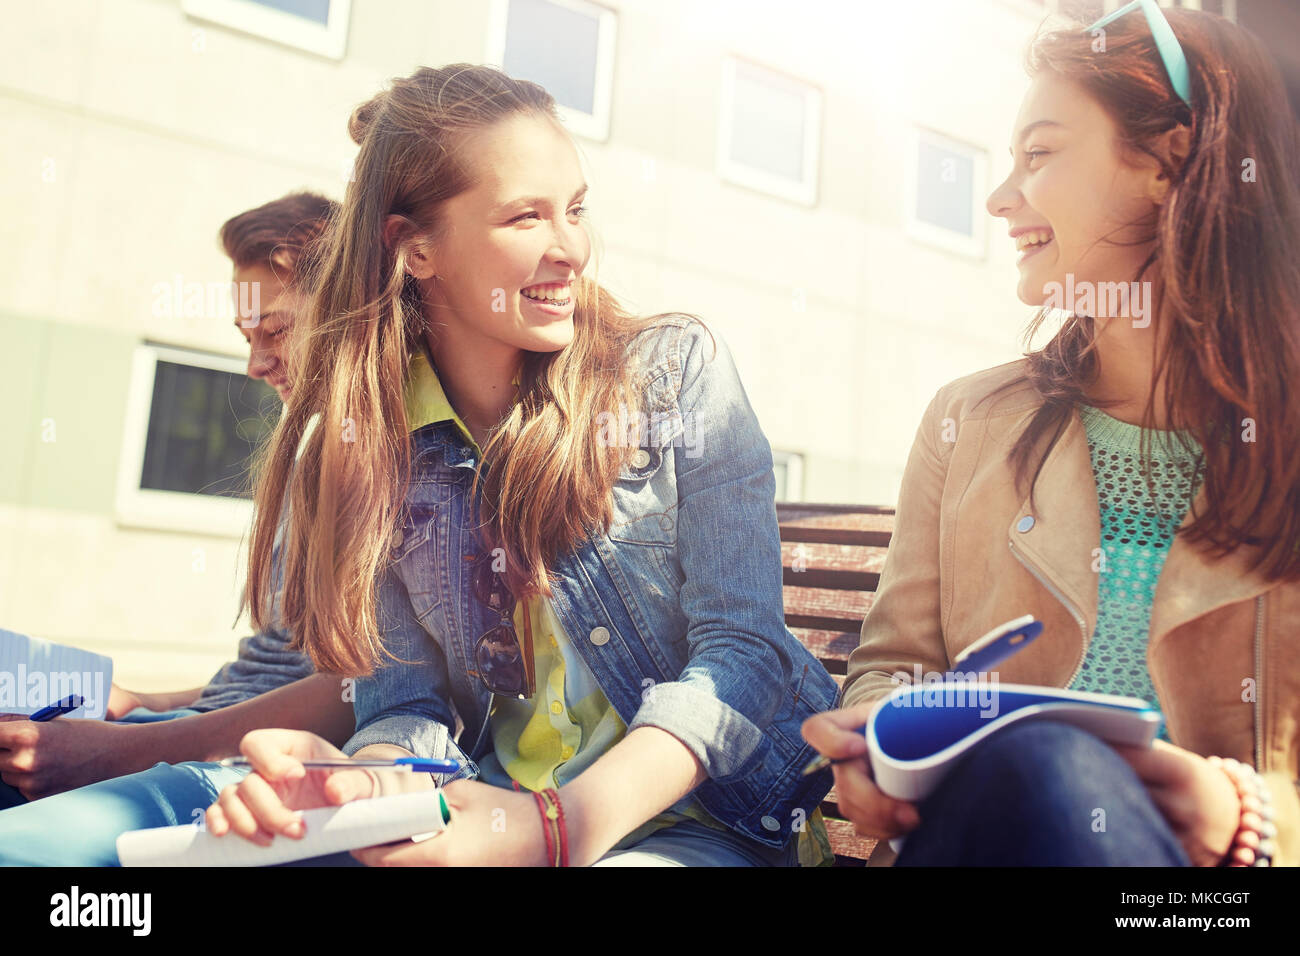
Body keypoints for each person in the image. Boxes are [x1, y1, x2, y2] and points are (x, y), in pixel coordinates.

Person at [204, 64, 839, 867]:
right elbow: (405, 706)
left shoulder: (676, 372)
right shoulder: (378, 446)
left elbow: (744, 653)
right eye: (525, 218)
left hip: (704, 826)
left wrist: (558, 827)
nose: (571, 247)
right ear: (415, 248)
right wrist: (365, 788)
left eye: (574, 210)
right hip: (489, 809)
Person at [803, 4, 1299, 867]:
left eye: (1038, 155)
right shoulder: (970, 423)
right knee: (1041, 767)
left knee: (1054, 768)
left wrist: (1242, 814)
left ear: (1168, 160)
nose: (1000, 199)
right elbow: (895, 666)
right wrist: (879, 743)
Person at [0, 192, 357, 866]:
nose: (255, 364)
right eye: (247, 338)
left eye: (274, 332)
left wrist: (122, 750)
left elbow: (354, 693)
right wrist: (141, 702)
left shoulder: (401, 464)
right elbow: (278, 665)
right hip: (191, 724)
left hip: (247, 763)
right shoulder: (311, 452)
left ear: (345, 311)